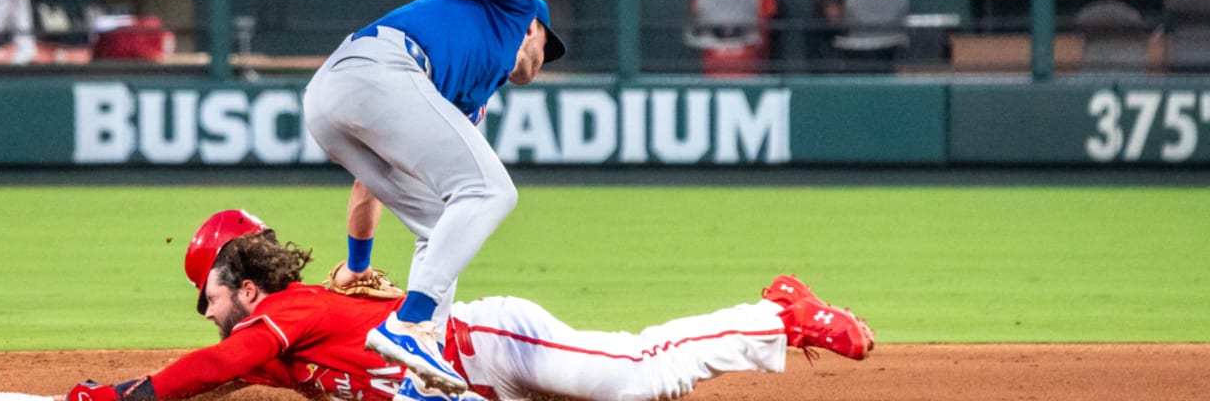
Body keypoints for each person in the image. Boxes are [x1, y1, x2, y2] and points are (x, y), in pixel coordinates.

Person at [63, 209, 875, 401]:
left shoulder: (290, 311)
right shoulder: (275, 338)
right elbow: (217, 377)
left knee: (633, 373)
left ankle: (778, 313)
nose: (201, 310)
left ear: (243, 284)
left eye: (204, 293)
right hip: (473, 385)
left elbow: (221, 360)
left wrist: (122, 396)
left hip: (488, 345)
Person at [300, 0, 566, 394]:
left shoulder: (471, 93)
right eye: (549, 45)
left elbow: (369, 185)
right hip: (377, 68)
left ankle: (418, 386)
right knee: (492, 191)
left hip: (329, 102)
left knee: (440, 223)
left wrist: (357, 266)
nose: (546, 59)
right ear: (533, 28)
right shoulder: (515, 2)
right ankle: (409, 322)